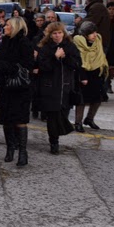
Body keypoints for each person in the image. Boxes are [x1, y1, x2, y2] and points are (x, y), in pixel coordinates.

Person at [0, 17, 34, 167]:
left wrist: (9, 67)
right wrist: (2, 66)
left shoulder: (24, 43)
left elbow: (28, 64)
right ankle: (10, 148)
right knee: (6, 118)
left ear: (15, 27)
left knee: (20, 119)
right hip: (5, 86)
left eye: (8, 25)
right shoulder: (4, 42)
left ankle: (23, 152)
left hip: (21, 88)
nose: (5, 27)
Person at [37, 22, 81, 154]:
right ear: (50, 35)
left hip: (66, 87)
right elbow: (43, 67)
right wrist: (55, 58)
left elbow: (77, 64)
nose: (57, 36)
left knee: (62, 113)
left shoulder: (70, 46)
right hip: (50, 87)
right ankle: (54, 142)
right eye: (54, 33)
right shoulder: (45, 48)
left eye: (60, 33)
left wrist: (65, 57)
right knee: (52, 116)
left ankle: (61, 132)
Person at [72, 21, 109, 132]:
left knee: (98, 98)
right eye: (91, 33)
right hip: (83, 73)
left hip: (97, 72)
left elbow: (101, 55)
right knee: (82, 100)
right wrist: (82, 77)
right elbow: (78, 61)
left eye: (95, 32)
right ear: (85, 34)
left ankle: (89, 119)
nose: (94, 35)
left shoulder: (98, 40)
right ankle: (78, 123)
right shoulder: (78, 42)